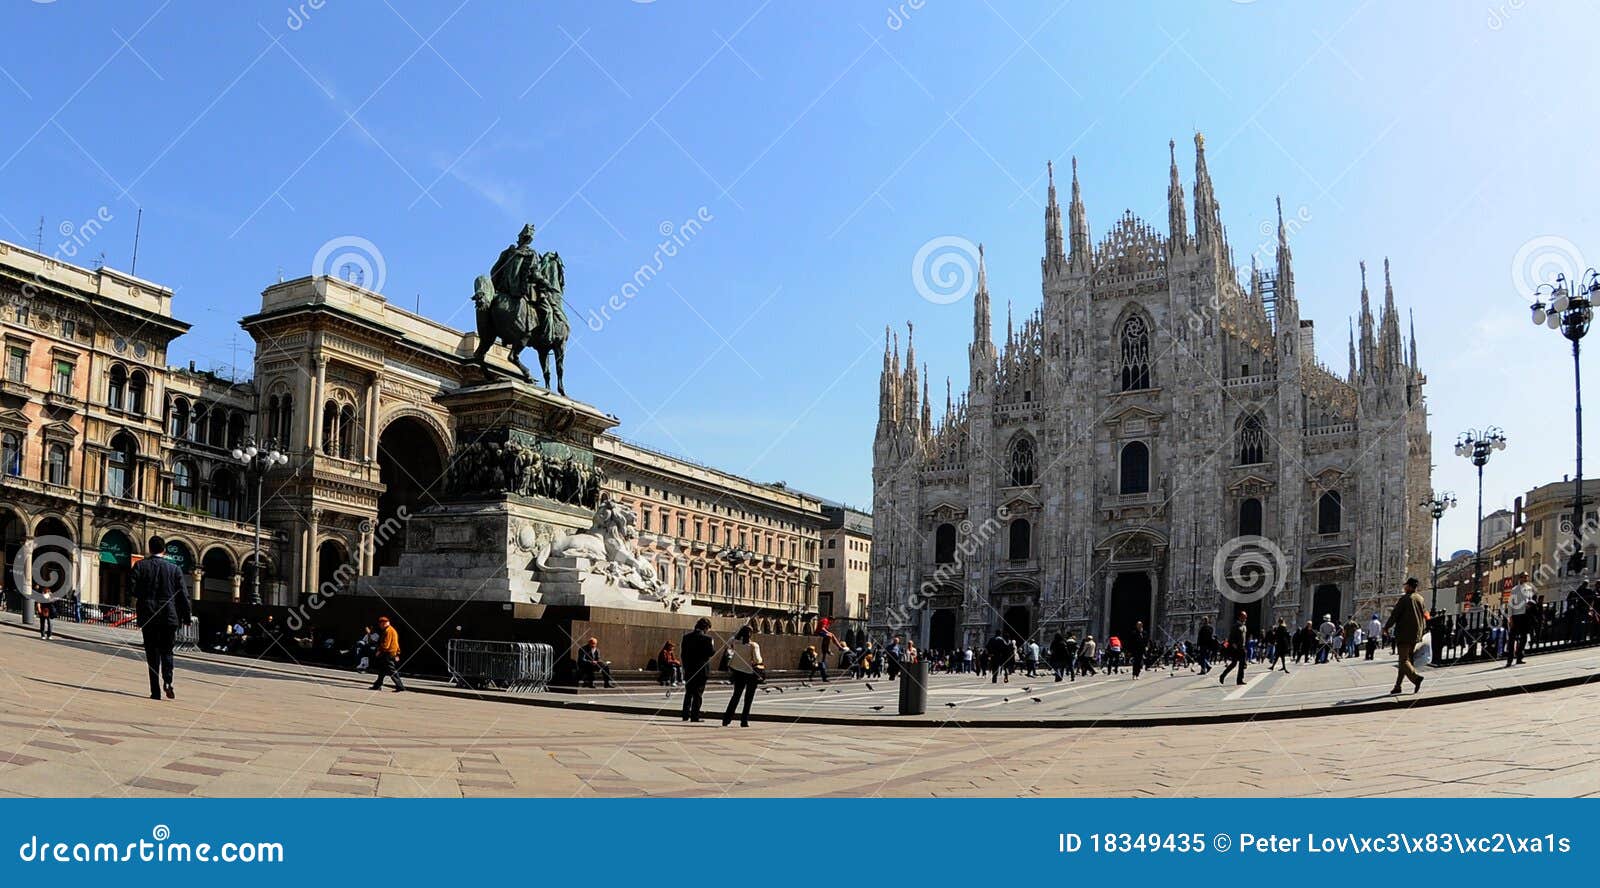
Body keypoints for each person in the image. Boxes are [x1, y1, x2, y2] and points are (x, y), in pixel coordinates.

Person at [130, 536, 192, 701]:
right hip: (169, 616)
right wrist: (186, 616)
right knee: (167, 651)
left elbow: (132, 589)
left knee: (152, 654)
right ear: (164, 550)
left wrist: (145, 597)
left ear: (149, 548)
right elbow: (183, 596)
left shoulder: (140, 566)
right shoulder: (174, 569)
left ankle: (155, 691)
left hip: (148, 616)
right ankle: (168, 682)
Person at [1384, 577, 1427, 695]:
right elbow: (1425, 615)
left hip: (1404, 633)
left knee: (1403, 660)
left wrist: (1386, 627)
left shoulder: (1405, 599)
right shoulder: (1420, 598)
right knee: (1405, 660)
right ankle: (1397, 686)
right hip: (1415, 634)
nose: (1404, 587)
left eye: (1406, 585)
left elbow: (1395, 615)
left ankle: (1416, 678)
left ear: (1409, 586)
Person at [722, 624, 763, 727]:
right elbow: (758, 660)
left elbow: (729, 644)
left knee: (736, 696)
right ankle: (744, 721)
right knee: (748, 698)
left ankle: (726, 719)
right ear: (750, 634)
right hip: (750, 673)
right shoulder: (753, 645)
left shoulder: (735, 642)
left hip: (737, 671)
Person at [679, 617, 715, 722]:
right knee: (698, 694)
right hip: (701, 670)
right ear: (706, 627)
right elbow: (711, 652)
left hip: (689, 669)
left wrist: (685, 667)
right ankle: (695, 716)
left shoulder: (686, 638)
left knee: (689, 692)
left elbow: (683, 654)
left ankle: (685, 714)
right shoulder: (708, 639)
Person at [369, 615, 405, 692]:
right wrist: (397, 653)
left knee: (391, 670)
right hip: (391, 652)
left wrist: (379, 651)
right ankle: (377, 685)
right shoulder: (392, 630)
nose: (380, 625)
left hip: (387, 653)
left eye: (381, 624)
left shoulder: (388, 631)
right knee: (382, 671)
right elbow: (396, 643)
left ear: (384, 623)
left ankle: (400, 686)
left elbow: (386, 645)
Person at [1218, 610, 1249, 686]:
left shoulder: (1244, 626)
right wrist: (1234, 645)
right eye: (1243, 617)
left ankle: (1239, 680)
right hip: (1236, 648)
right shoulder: (1235, 626)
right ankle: (1223, 675)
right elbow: (1231, 638)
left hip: (1242, 647)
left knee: (1241, 664)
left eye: (1245, 617)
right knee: (1234, 664)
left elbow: (1244, 638)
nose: (1245, 618)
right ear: (1240, 617)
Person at [815, 618, 845, 682]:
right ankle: (829, 648)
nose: (832, 623)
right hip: (818, 633)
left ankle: (839, 646)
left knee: (831, 635)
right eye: (832, 622)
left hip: (822, 633)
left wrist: (829, 633)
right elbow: (822, 629)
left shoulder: (827, 622)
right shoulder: (825, 621)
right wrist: (828, 632)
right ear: (831, 620)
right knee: (830, 635)